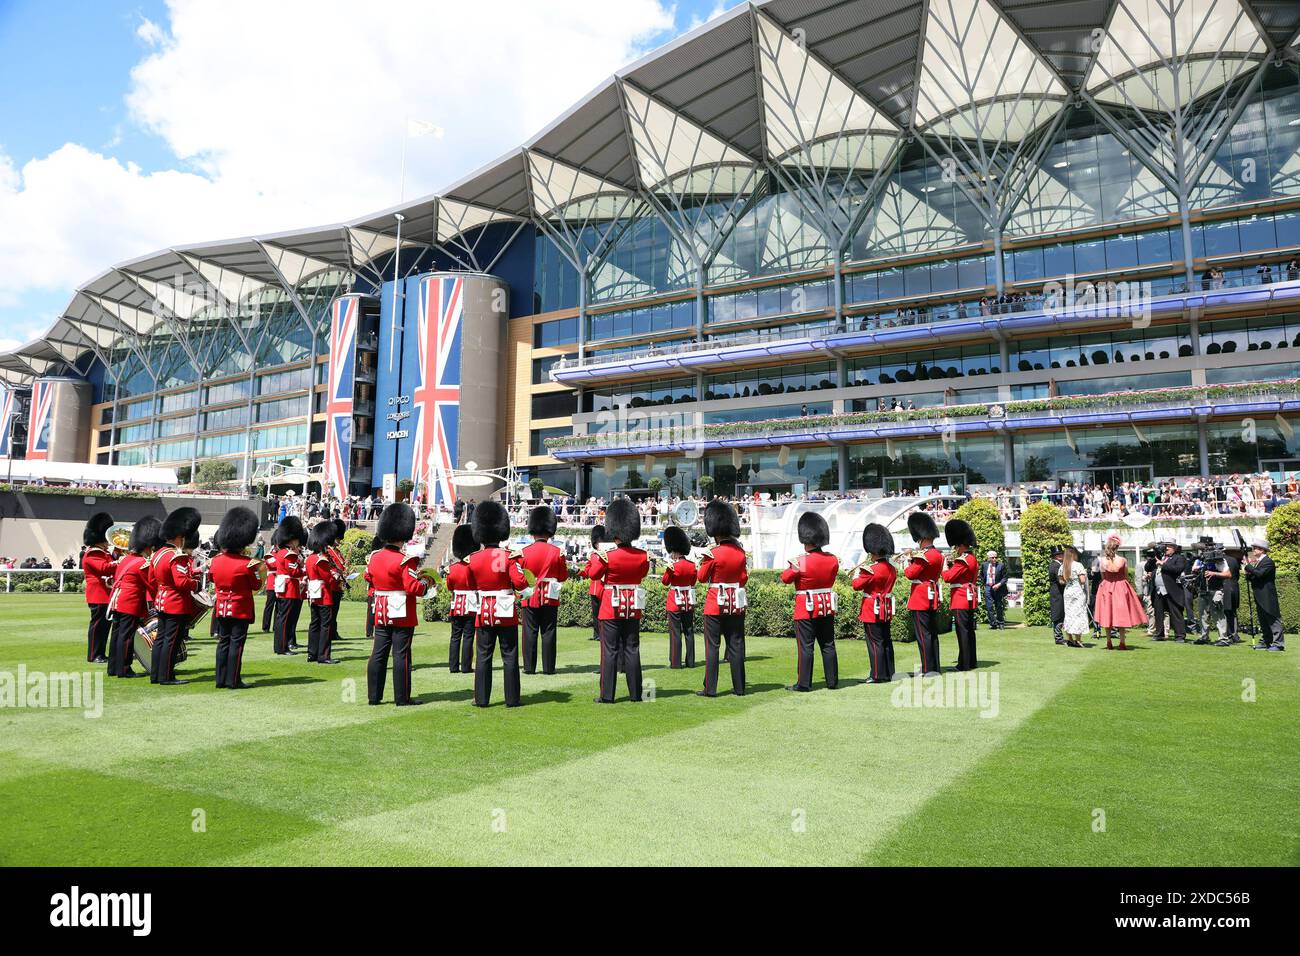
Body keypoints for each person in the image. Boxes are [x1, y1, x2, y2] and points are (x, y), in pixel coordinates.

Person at [367, 503, 432, 705]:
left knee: (378, 653)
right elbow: (414, 587)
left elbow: (368, 577)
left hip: (381, 609)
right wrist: (426, 583)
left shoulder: (374, 557)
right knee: (401, 655)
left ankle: (374, 697)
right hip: (401, 612)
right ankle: (402, 697)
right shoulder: (405, 560)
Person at [467, 500, 527, 707]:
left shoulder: (472, 559)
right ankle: (512, 699)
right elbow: (520, 583)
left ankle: (482, 699)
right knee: (509, 655)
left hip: (484, 610)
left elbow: (469, 584)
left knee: (483, 656)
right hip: (506, 610)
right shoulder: (509, 556)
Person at [594, 498, 649, 703]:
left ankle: (607, 695)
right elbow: (642, 574)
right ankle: (636, 693)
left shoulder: (608, 556)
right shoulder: (642, 556)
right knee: (632, 648)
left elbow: (594, 574)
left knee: (610, 650)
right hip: (632, 606)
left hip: (610, 607)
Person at [780, 511, 839, 692]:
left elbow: (785, 578)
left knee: (806, 647)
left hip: (806, 609)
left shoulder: (801, 561)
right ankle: (832, 681)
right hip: (826, 606)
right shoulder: (832, 559)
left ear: (806, 539)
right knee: (828, 644)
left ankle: (804, 683)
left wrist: (794, 567)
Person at [208, 507, 265, 689]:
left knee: (223, 642)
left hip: (222, 608)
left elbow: (211, 579)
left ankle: (220, 679)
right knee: (236, 644)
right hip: (240, 608)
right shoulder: (246, 565)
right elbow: (256, 586)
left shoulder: (216, 561)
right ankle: (233, 680)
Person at [697, 498, 748, 697]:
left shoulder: (713, 553)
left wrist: (702, 563)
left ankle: (710, 688)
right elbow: (743, 579)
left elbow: (701, 578)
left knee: (713, 647)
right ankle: (740, 687)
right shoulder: (741, 552)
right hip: (735, 602)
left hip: (715, 604)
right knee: (735, 645)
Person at [150, 507, 201, 685]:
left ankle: (155, 674)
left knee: (161, 639)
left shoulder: (158, 554)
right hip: (175, 603)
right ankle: (166, 676)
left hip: (162, 601)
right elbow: (181, 582)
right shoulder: (175, 556)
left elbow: (151, 578)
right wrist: (195, 583)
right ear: (180, 536)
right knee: (171, 641)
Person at [106, 516, 161, 678]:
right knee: (126, 636)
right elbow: (151, 585)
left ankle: (113, 668)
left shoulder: (125, 560)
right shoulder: (142, 563)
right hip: (130, 602)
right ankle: (124, 669)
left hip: (117, 601)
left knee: (116, 634)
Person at [520, 505, 568, 675]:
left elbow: (519, 578)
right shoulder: (557, 552)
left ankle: (529, 667)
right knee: (548, 632)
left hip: (529, 595)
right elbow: (563, 576)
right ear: (550, 530)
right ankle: (548, 668)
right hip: (550, 596)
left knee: (529, 632)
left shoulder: (523, 552)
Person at [852, 523, 897, 683]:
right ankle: (889, 671)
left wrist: (857, 573)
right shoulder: (892, 568)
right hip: (885, 607)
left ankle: (877, 674)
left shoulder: (870, 570)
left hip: (872, 608)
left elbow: (856, 585)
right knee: (886, 640)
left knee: (874, 642)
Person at [902, 511, 943, 676]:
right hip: (931, 595)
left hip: (920, 598)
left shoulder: (924, 556)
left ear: (921, 536)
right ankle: (934, 667)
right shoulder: (937, 554)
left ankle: (927, 669)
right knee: (932, 634)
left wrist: (907, 560)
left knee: (923, 636)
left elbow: (910, 574)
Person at [1093, 533, 1147, 650]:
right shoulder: (1122, 560)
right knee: (1121, 614)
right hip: (1120, 586)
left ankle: (1109, 642)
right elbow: (1125, 575)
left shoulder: (1102, 561)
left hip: (1106, 587)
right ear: (1117, 547)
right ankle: (1122, 642)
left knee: (1107, 614)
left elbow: (1103, 576)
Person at [942, 519, 979, 671]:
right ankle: (971, 661)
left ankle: (963, 663)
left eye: (957, 546)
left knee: (962, 632)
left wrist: (944, 565)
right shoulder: (972, 558)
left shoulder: (963, 560)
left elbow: (947, 578)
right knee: (969, 631)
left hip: (961, 598)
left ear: (961, 545)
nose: (955, 549)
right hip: (968, 597)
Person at [305, 523, 344, 664]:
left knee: (314, 624)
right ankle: (323, 655)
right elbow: (327, 579)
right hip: (324, 595)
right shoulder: (321, 559)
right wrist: (336, 577)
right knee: (325, 625)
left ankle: (312, 653)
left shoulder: (310, 558)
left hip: (313, 595)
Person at [81, 512, 117, 664]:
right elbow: (104, 568)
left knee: (104, 627)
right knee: (97, 627)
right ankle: (94, 654)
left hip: (106, 594)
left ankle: (101, 653)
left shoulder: (103, 552)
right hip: (98, 595)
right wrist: (119, 562)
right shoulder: (92, 553)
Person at [661, 525, 697, 668]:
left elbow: (665, 582)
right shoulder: (692, 565)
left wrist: (669, 570)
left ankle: (676, 662)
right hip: (688, 600)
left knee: (675, 633)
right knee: (689, 631)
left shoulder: (673, 566)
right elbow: (693, 582)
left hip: (675, 601)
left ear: (674, 551)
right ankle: (691, 661)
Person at [444, 524, 478, 673]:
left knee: (455, 636)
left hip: (457, 603)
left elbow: (450, 586)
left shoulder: (452, 569)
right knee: (468, 636)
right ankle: (466, 666)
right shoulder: (475, 567)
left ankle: (453, 666)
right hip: (471, 604)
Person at [270, 516, 306, 655]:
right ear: (292, 539)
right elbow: (295, 571)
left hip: (282, 587)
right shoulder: (289, 555)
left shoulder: (281, 552)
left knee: (281, 618)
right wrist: (304, 569)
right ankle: (282, 647)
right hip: (289, 588)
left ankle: (279, 646)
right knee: (285, 620)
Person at [1246, 541, 1284, 651]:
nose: (1253, 550)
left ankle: (1278, 644)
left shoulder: (1268, 562)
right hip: (1259, 594)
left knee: (1272, 618)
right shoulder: (1258, 562)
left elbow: (1260, 574)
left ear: (1262, 550)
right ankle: (1266, 641)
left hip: (1267, 595)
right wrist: (1249, 575)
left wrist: (1248, 566)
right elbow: (1256, 576)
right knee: (1263, 619)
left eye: (1256, 548)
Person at [1151, 541, 1188, 643]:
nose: (1166, 548)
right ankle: (1159, 634)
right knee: (1158, 613)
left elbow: (1177, 569)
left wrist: (1163, 564)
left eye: (1168, 546)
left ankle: (1180, 636)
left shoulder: (1179, 558)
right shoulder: (1161, 557)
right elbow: (1148, 568)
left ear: (1174, 548)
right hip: (1158, 590)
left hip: (1172, 590)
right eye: (1165, 546)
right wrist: (1154, 557)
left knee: (1176, 613)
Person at [579, 524, 606, 642]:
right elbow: (587, 572)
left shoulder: (606, 556)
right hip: (594, 589)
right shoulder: (593, 556)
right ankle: (596, 634)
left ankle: (604, 634)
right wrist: (578, 572)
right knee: (595, 614)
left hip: (603, 589)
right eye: (596, 542)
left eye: (599, 542)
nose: (597, 544)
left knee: (603, 614)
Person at [1059, 545, 1089, 647]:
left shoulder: (1063, 566)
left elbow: (1061, 581)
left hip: (1068, 592)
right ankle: (1078, 640)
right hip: (1077, 592)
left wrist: (1068, 581)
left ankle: (1070, 639)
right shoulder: (1078, 565)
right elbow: (1083, 580)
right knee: (1078, 615)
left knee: (1069, 615)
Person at [981, 549, 1008, 628]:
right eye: (992, 557)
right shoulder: (984, 565)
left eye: (995, 557)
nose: (994, 559)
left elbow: (1005, 577)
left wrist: (999, 584)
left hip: (997, 587)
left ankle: (1001, 623)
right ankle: (993, 624)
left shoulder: (1001, 565)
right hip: (988, 587)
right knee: (989, 606)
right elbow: (982, 575)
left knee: (998, 605)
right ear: (988, 558)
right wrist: (985, 584)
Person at [1048, 545, 1067, 645]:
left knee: (1060, 614)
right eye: (1058, 554)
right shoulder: (1056, 565)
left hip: (1058, 592)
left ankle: (1059, 636)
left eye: (1061, 554)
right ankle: (1058, 637)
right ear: (1055, 556)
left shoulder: (1058, 564)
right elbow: (1060, 580)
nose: (1060, 555)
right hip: (1057, 593)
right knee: (1058, 614)